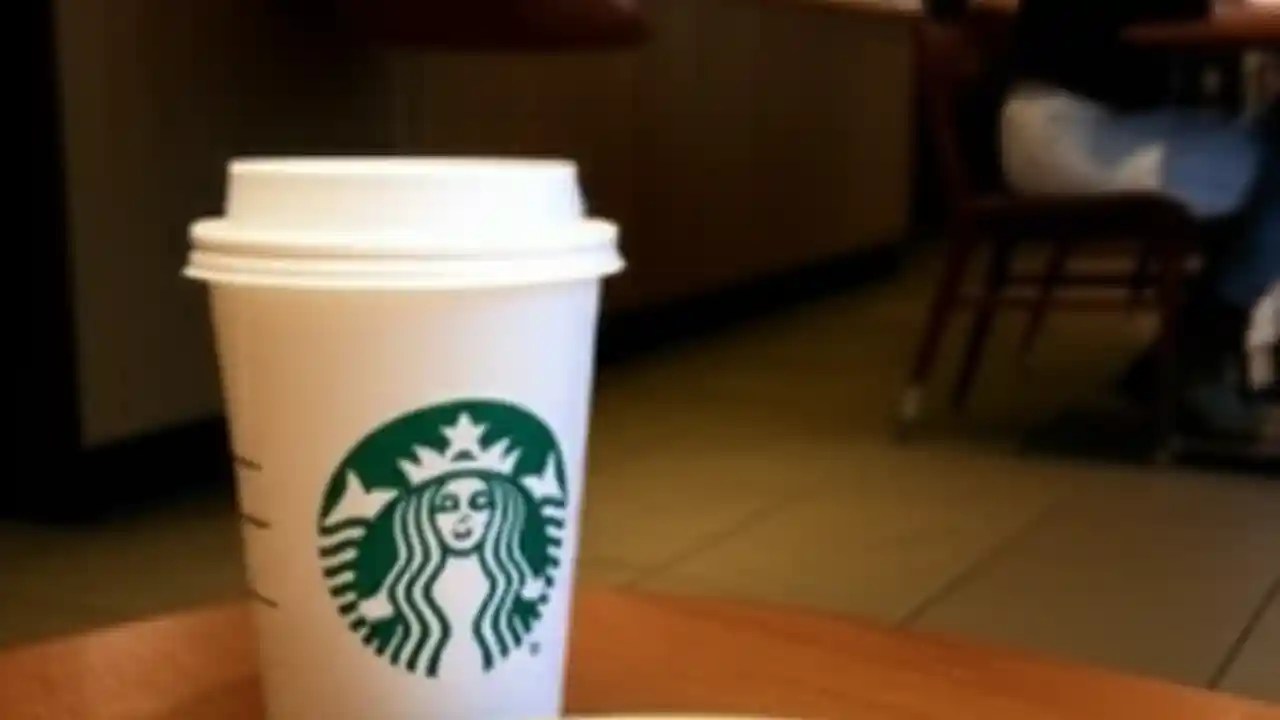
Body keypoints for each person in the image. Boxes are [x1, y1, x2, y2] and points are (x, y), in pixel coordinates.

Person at [999, 0, 1279, 438]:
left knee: (1262, 152)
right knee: (1269, 160)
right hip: (1069, 133)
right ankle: (1195, 354)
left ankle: (1188, 351)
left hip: (1075, 120)